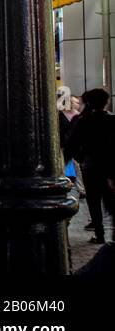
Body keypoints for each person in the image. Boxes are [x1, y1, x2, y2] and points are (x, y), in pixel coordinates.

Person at [64, 88, 115, 245]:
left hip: (91, 166)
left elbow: (71, 145)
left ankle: (99, 234)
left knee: (93, 200)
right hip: (110, 168)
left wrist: (78, 159)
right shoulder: (112, 120)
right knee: (111, 201)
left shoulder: (82, 121)